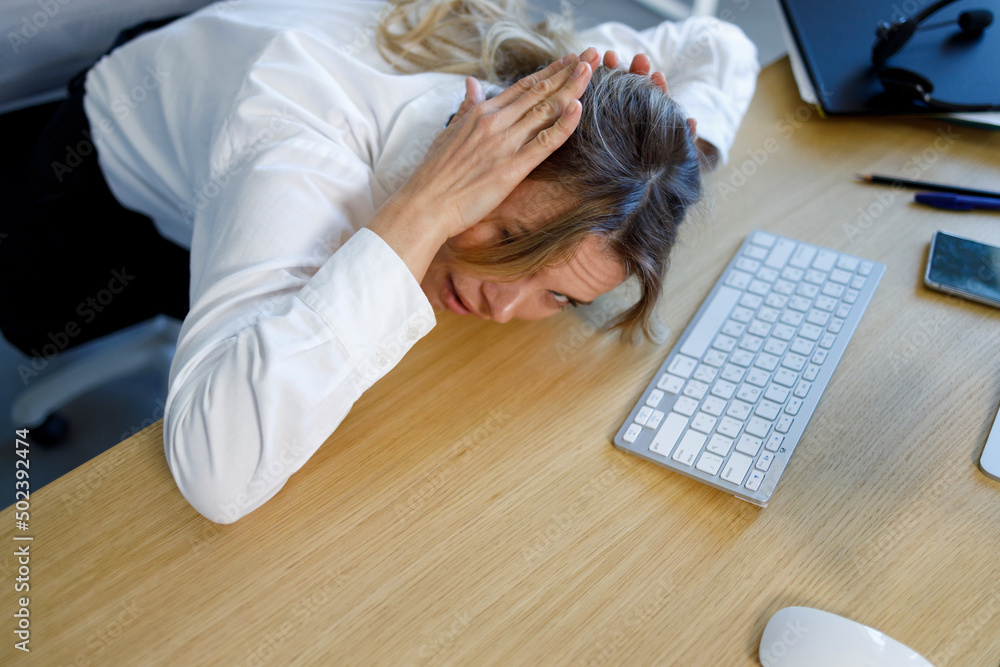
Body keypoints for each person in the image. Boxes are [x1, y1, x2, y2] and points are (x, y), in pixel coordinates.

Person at [0, 0, 759, 523]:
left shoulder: (550, 102)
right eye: (507, 241)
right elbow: (215, 472)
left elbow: (718, 45)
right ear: (475, 147)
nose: (503, 305)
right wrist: (423, 209)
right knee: (36, 313)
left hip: (237, 55)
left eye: (558, 295)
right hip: (93, 174)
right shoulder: (300, 159)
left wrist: (670, 164)